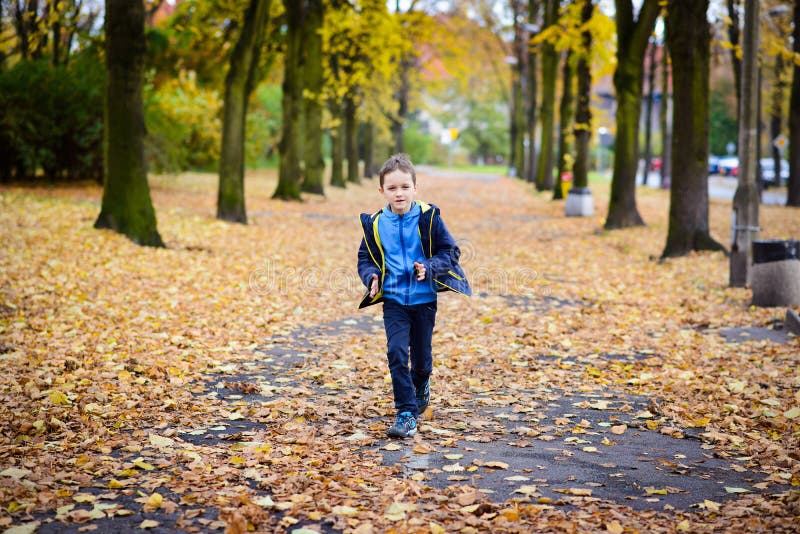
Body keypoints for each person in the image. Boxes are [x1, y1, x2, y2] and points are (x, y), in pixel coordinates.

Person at [357, 153, 471, 438]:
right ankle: (406, 413)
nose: (399, 193)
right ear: (381, 191)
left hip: (424, 301)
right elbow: (365, 258)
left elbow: (451, 253)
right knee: (396, 353)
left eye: (405, 187)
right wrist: (371, 277)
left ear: (415, 188)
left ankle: (422, 382)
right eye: (392, 188)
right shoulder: (374, 223)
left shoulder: (429, 217)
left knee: (421, 360)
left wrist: (429, 267)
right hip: (394, 300)